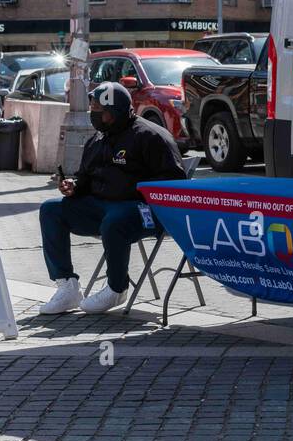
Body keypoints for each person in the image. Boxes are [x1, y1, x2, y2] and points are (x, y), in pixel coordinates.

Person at [38, 81, 185, 315]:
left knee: (115, 221)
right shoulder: (98, 138)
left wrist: (145, 199)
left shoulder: (150, 136)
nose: (93, 114)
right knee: (51, 210)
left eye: (99, 110)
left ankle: (117, 288)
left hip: (143, 210)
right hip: (102, 207)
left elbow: (175, 183)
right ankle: (67, 286)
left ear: (114, 112)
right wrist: (74, 186)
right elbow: (85, 176)